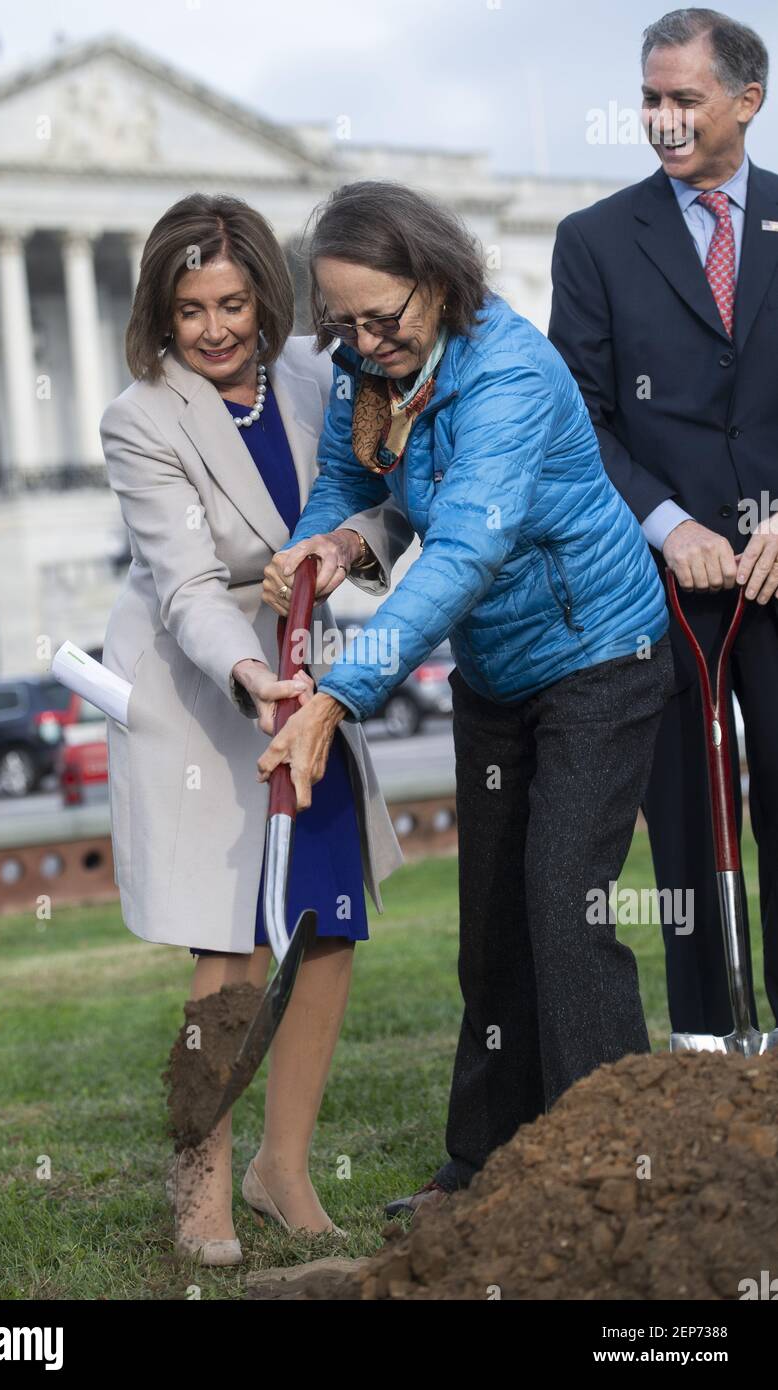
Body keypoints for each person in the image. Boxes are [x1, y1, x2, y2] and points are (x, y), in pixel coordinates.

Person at [258, 179, 676, 1214]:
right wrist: (322, 539)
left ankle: (607, 1171)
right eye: (341, 323)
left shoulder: (510, 374)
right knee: (489, 928)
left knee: (562, 909)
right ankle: (483, 1169)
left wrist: (339, 694)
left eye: (381, 318)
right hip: (496, 673)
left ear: (437, 280)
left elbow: (463, 551)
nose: (361, 341)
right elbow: (348, 482)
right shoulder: (366, 366)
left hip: (599, 656)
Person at [100, 192, 407, 1262]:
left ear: (265, 297)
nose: (217, 327)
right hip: (209, 690)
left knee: (325, 925)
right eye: (191, 310)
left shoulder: (326, 380)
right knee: (228, 943)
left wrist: (338, 555)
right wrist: (246, 673)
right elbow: (183, 585)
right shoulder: (141, 417)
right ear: (162, 312)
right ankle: (199, 1184)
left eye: (233, 302)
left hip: (306, 671)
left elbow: (384, 503)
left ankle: (281, 1168)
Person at [548, 8, 778, 1039]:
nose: (661, 119)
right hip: (664, 591)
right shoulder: (592, 241)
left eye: (683, 98)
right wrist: (666, 522)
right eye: (650, 98)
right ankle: (702, 1048)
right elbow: (580, 417)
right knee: (684, 831)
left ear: (746, 99)